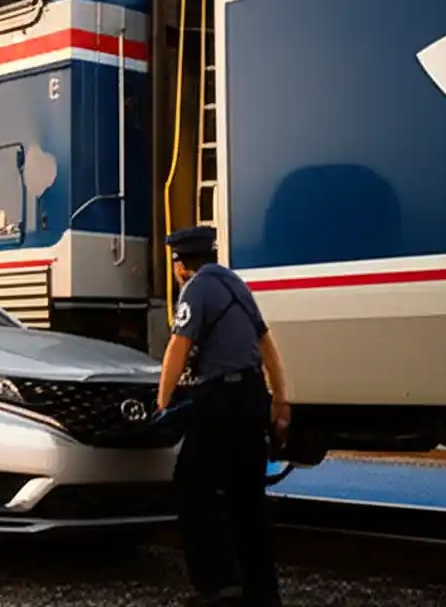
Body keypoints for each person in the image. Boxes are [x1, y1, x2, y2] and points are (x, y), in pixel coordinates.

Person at [155, 225, 290, 606]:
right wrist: (281, 401)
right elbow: (267, 345)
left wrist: (162, 404)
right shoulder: (237, 285)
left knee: (191, 486)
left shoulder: (195, 289)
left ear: (180, 264)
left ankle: (218, 585)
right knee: (248, 496)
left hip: (220, 401)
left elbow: (177, 348)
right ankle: (263, 592)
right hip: (251, 397)